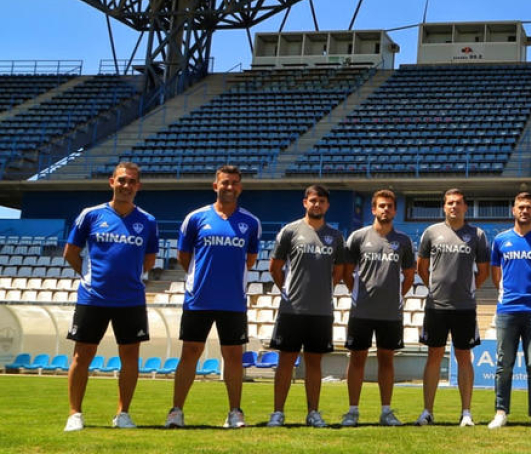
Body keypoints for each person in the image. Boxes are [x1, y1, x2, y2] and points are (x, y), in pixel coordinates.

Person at [62, 162, 159, 432]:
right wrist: (91, 277)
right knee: (82, 355)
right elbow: (70, 253)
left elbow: (149, 260)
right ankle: (74, 414)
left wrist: (126, 278)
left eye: (132, 181)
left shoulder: (148, 221)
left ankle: (123, 414)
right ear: (111, 182)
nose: (126, 186)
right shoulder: (90, 215)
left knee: (130, 357)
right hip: (93, 298)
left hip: (131, 300)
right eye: (122, 180)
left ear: (138, 186)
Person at [167, 164, 261, 429]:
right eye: (224, 182)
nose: (229, 187)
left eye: (234, 183)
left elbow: (250, 261)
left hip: (233, 300)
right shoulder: (195, 218)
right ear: (215, 185)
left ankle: (235, 413)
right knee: (190, 353)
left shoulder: (251, 222)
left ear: (240, 187)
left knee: (233, 356)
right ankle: (176, 412)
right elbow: (184, 257)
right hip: (199, 298)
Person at [267, 184, 348, 428]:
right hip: (292, 309)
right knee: (285, 362)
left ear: (327, 205)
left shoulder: (335, 236)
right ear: (305, 203)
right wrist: (289, 291)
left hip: (321, 311)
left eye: (322, 201)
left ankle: (313, 412)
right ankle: (278, 413)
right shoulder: (290, 231)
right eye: (313, 200)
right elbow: (275, 267)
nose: (317, 204)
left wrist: (322, 291)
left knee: (314, 363)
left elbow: (339, 271)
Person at [339, 189, 415, 427]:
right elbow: (346, 272)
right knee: (357, 359)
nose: (385, 210)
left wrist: (395, 296)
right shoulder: (358, 237)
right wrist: (359, 294)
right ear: (373, 209)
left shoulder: (403, 241)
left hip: (390, 313)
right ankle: (352, 411)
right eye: (381, 206)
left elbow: (409, 275)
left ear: (395, 210)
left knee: (387, 360)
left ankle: (386, 411)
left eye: (390, 206)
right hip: (361, 311)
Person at [417, 188, 490, 427]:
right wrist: (437, 288)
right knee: (433, 357)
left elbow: (484, 271)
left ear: (465, 207)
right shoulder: (431, 233)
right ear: (444, 206)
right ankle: (427, 411)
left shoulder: (477, 235)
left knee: (464, 357)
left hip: (465, 307)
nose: (453, 207)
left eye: (458, 203)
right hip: (436, 306)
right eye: (449, 203)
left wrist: (466, 290)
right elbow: (422, 267)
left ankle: (466, 413)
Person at [487, 192, 531, 430]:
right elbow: (496, 275)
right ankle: (501, 411)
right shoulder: (500, 240)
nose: (524, 211)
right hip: (507, 310)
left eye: (528, 207)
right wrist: (508, 294)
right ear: (513, 211)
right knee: (503, 364)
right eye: (520, 207)